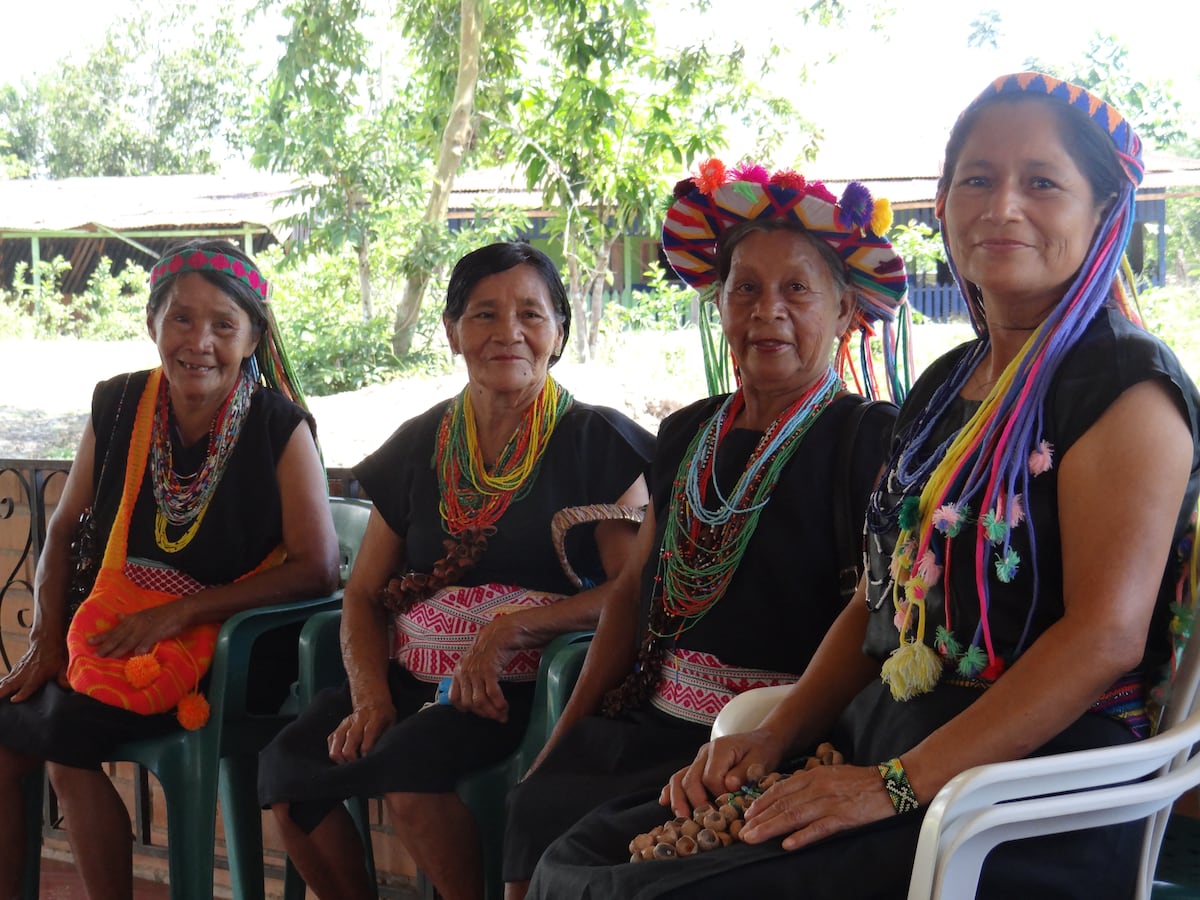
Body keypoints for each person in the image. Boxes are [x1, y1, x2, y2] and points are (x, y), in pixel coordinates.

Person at [526, 73, 1200, 900]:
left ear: (1102, 213)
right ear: (945, 204)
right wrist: (780, 735)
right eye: (977, 180)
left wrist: (895, 784)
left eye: (1043, 182)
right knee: (584, 855)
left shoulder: (1126, 386)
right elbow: (876, 598)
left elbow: (1105, 637)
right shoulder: (947, 384)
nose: (1002, 207)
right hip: (887, 741)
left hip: (1019, 796)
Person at [503, 161, 909, 900]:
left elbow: (881, 616)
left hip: (772, 745)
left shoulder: (870, 440)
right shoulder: (688, 431)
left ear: (846, 310)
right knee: (537, 804)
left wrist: (772, 733)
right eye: (745, 288)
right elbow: (632, 594)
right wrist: (559, 741)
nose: (767, 312)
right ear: (718, 303)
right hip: (653, 721)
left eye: (797, 290)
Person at [256, 241, 654, 900]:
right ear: (451, 331)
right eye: (483, 314)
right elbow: (362, 594)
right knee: (291, 773)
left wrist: (509, 631)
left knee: (409, 778)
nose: (509, 333)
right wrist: (371, 697)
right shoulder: (422, 441)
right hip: (413, 676)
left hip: (520, 691)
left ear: (559, 333)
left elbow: (630, 593)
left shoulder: (596, 442)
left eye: (531, 314)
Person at [0, 238, 340, 899]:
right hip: (119, 634)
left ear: (252, 336)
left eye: (223, 325)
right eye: (181, 318)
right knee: (10, 733)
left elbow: (318, 568)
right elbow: (66, 527)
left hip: (231, 658)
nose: (199, 342)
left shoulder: (279, 426)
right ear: (152, 322)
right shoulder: (121, 403)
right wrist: (45, 640)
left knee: (61, 740)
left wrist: (182, 612)